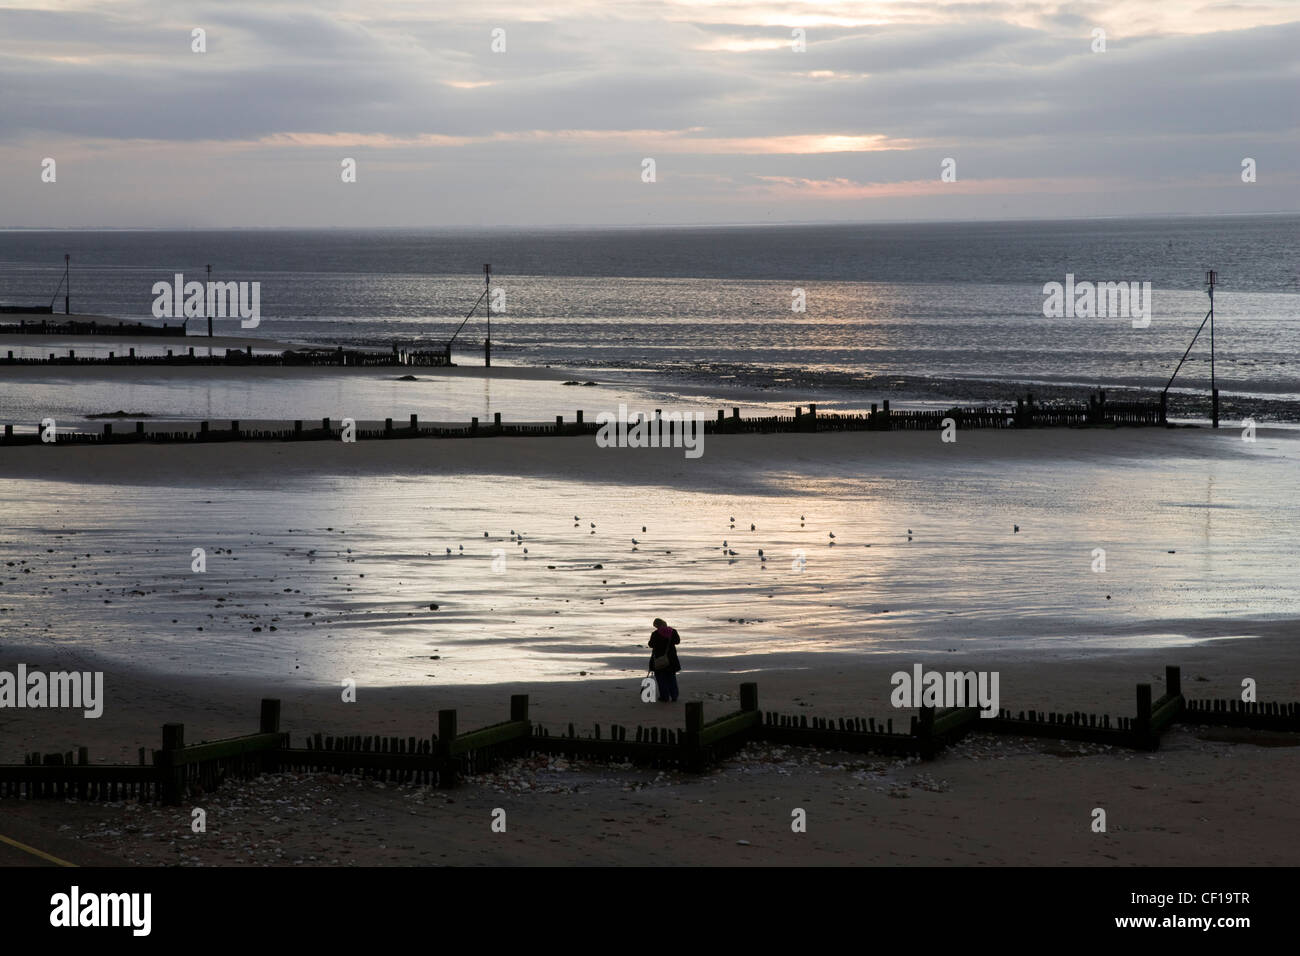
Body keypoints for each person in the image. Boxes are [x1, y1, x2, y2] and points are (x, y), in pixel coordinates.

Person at [647, 617, 681, 702]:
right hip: (671, 659)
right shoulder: (673, 631)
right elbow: (677, 641)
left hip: (659, 658)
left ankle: (664, 697)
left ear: (657, 625)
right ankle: (674, 696)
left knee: (661, 679)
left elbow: (651, 644)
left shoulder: (655, 634)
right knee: (671, 678)